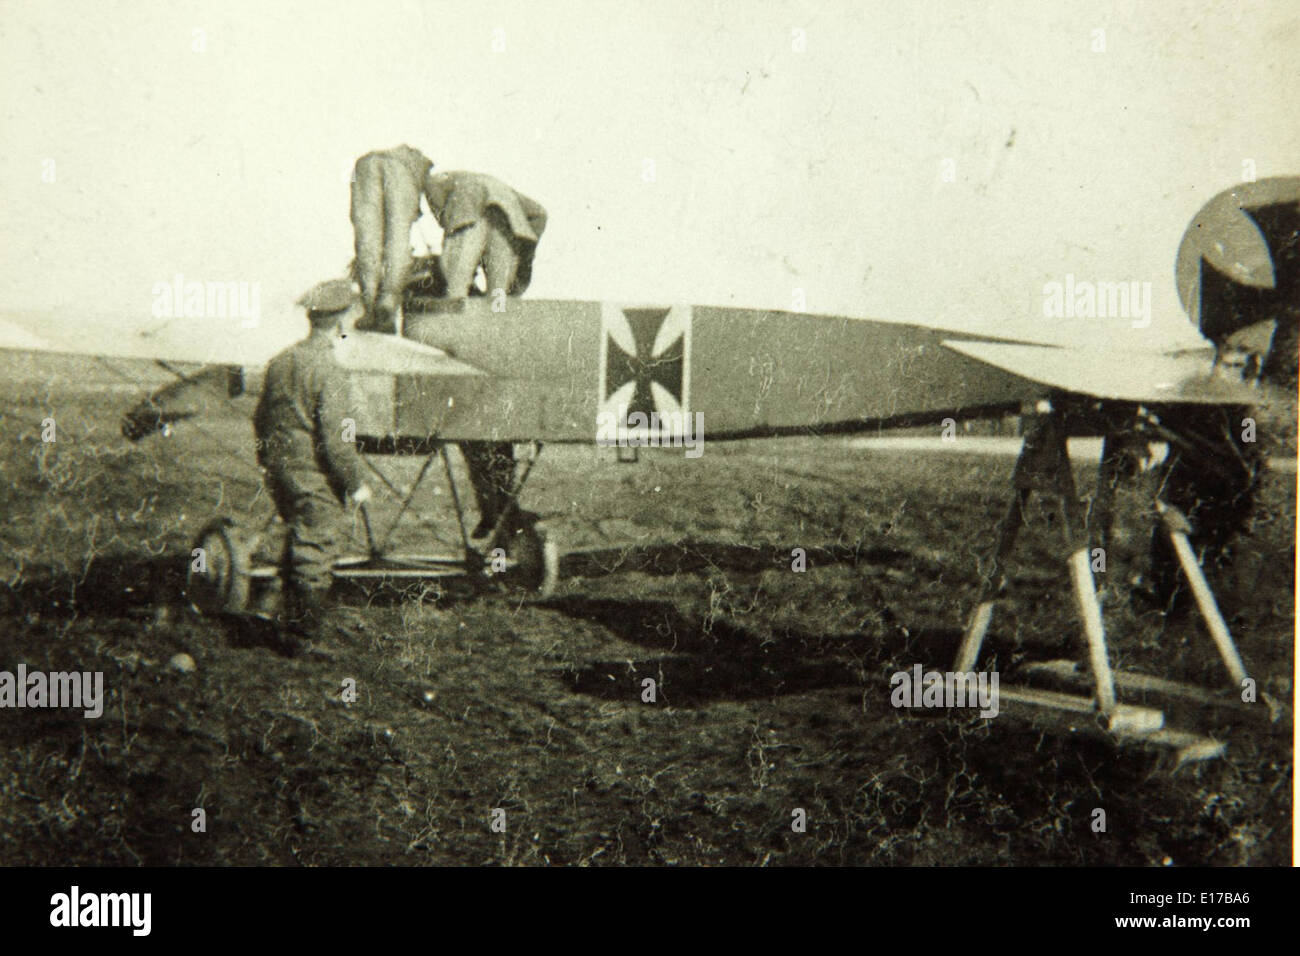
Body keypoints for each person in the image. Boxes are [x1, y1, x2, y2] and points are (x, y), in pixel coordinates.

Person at [421, 171, 548, 537]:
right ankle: (500, 516)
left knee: (482, 454)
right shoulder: (506, 204)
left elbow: (455, 281)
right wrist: (522, 263)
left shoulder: (449, 190)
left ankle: (497, 516)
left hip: (468, 394)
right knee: (494, 453)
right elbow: (539, 214)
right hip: (492, 392)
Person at [253, 279, 372, 646]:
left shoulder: (280, 361)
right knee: (316, 546)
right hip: (312, 472)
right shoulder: (331, 369)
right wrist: (356, 483)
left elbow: (261, 417)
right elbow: (337, 441)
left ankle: (269, 613)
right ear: (341, 321)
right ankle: (300, 638)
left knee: (298, 535)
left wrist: (267, 460)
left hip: (280, 468)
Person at [423, 170, 548, 300]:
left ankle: (457, 310)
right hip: (505, 219)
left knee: (457, 281)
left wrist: (448, 225)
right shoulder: (500, 186)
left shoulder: (435, 180)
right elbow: (540, 214)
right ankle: (496, 312)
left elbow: (440, 204)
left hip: (469, 210)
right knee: (498, 294)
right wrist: (524, 246)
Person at [350, 145, 435, 333]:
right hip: (403, 170)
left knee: (366, 241)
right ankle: (387, 305)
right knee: (398, 240)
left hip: (362, 166)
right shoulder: (419, 161)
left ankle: (369, 307)